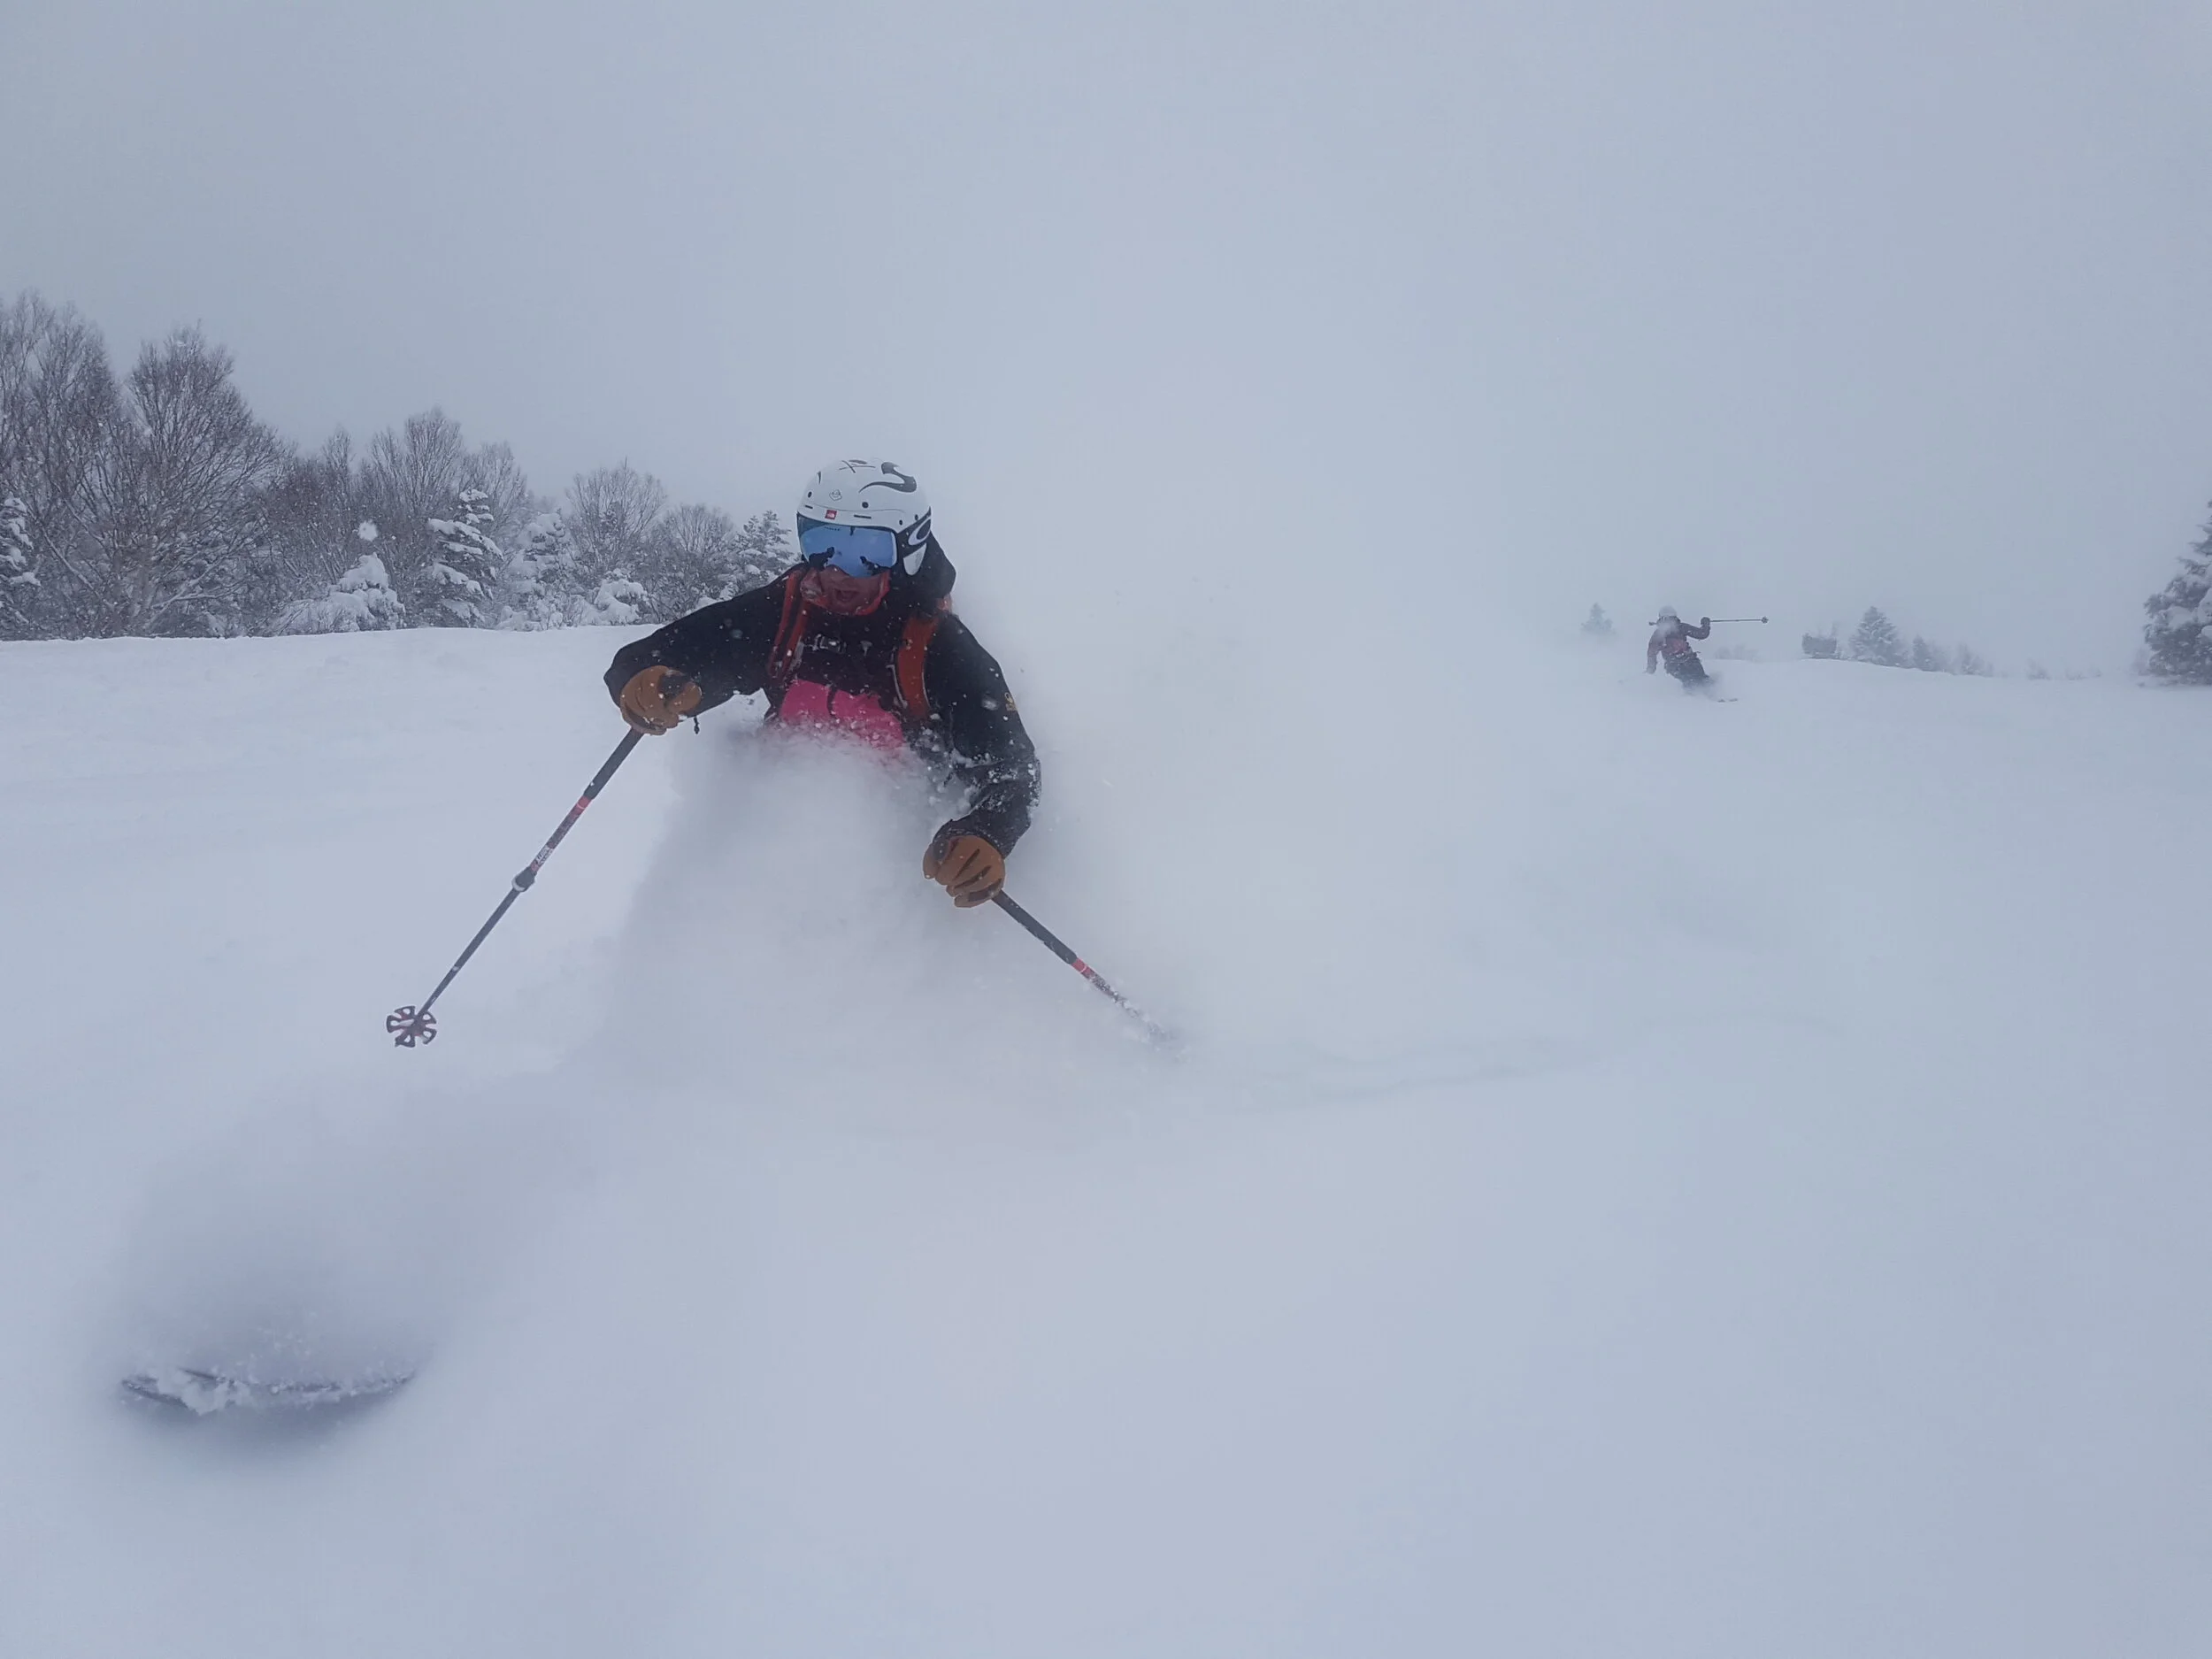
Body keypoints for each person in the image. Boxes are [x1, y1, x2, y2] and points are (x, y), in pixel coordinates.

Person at [604, 459, 1040, 908]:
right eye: (821, 543)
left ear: (907, 550)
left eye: (867, 550)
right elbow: (671, 652)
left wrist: (987, 831)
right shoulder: (788, 610)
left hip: (897, 850)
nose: (837, 570)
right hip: (772, 832)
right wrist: (641, 680)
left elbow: (1011, 768)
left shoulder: (937, 644)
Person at [1646, 605, 1714, 691]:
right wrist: (1651, 667)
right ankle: (1693, 700)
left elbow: (1701, 634)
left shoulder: (1681, 628)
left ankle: (1713, 694)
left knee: (1702, 679)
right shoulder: (1659, 634)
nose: (1670, 623)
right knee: (1690, 682)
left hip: (1689, 660)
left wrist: (1705, 625)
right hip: (1674, 664)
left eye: (1672, 619)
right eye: (1667, 620)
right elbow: (1652, 652)